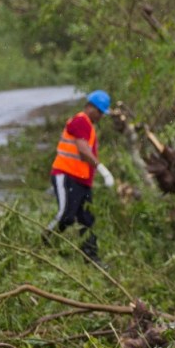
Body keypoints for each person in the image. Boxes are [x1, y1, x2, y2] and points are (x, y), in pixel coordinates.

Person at [44, 90, 115, 264]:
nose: (100, 117)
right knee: (66, 215)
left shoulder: (88, 125)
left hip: (82, 180)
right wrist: (103, 169)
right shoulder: (80, 121)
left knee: (86, 219)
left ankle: (91, 259)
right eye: (100, 112)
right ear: (91, 108)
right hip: (66, 175)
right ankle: (44, 243)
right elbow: (83, 151)